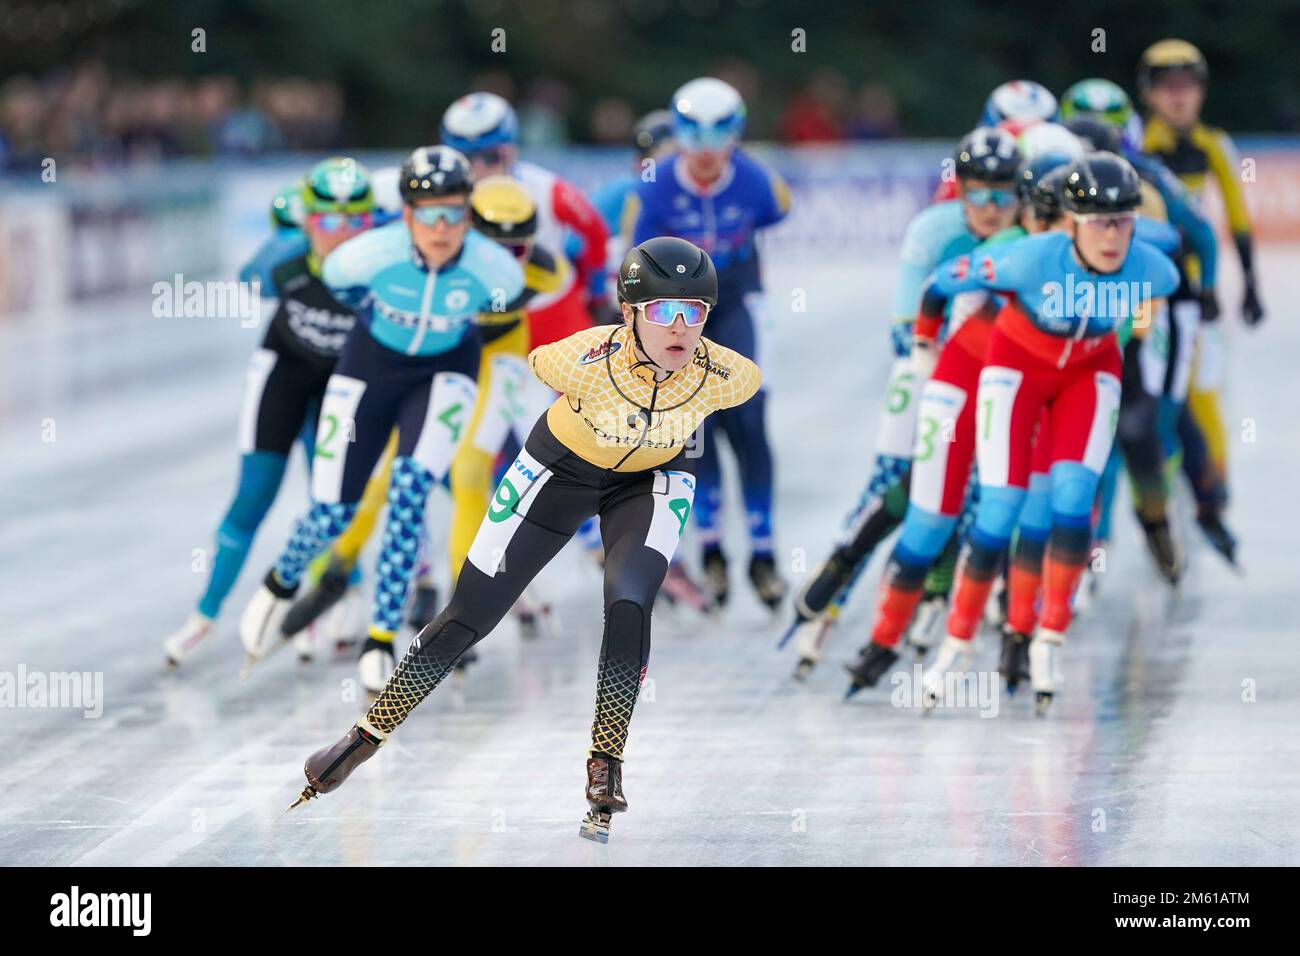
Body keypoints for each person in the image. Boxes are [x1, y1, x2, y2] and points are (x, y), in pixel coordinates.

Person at [287, 237, 761, 843]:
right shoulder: (579, 360)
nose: (680, 328)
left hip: (651, 480)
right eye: (663, 311)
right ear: (628, 312)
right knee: (470, 615)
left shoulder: (728, 376)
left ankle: (605, 760)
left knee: (629, 598)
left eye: (694, 311)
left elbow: (746, 383)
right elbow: (532, 362)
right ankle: (364, 736)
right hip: (557, 472)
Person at [237, 146, 524, 693]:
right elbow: (342, 288)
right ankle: (280, 580)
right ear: (406, 216)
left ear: (470, 214)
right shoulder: (362, 258)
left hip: (444, 372)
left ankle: (381, 636)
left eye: (455, 214)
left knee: (410, 490)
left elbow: (503, 305)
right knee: (332, 512)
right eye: (429, 214)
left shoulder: (496, 269)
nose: (442, 228)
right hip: (369, 368)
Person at [900, 153, 1178, 714]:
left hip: (1088, 371)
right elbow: (937, 284)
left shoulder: (1155, 268)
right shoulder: (1026, 259)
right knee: (1001, 506)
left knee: (1076, 499)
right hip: (1017, 368)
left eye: (1124, 221)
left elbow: (1178, 237)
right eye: (1099, 222)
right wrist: (924, 345)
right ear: (1069, 221)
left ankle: (1050, 636)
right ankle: (955, 643)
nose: (1112, 236)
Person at [278, 176, 568, 647]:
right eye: (488, 245)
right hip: (431, 361)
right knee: (382, 478)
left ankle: (461, 608)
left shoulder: (543, 271)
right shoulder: (430, 245)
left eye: (516, 250)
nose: (499, 259)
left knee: (472, 474)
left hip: (496, 358)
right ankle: (338, 570)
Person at [781, 127, 1021, 675]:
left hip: (991, 376)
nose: (989, 206)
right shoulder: (933, 231)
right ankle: (836, 586)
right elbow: (904, 327)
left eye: (1002, 194)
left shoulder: (1026, 237)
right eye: (977, 192)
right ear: (958, 190)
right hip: (928, 367)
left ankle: (939, 594)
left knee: (976, 493)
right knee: (891, 482)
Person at [161, 158, 376, 666]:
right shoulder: (284, 259)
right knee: (253, 495)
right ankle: (205, 614)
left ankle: (339, 595)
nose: (342, 234)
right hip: (283, 376)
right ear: (306, 222)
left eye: (357, 222)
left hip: (340, 387)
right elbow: (249, 278)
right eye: (327, 221)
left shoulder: (382, 265)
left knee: (333, 498)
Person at [632, 76, 792, 609]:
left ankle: (764, 552)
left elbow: (778, 209)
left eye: (716, 144)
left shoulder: (754, 182)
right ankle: (714, 548)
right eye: (693, 143)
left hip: (739, 304)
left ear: (735, 137)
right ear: (677, 137)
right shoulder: (654, 188)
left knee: (749, 416)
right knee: (696, 423)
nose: (704, 157)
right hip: (684, 315)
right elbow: (634, 263)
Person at [1140, 39, 1264, 562]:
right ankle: (1156, 499)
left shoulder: (1215, 145)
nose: (1178, 99)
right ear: (1150, 94)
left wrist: (1250, 283)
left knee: (1205, 393)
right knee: (1152, 396)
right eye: (1168, 89)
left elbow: (1236, 214)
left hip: (1197, 292)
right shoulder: (1140, 144)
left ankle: (1213, 500)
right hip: (1149, 287)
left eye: (1187, 88)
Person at [441, 91, 609, 347]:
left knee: (580, 383)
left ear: (510, 150)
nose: (478, 169)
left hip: (552, 308)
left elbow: (595, 232)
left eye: (489, 156)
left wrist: (596, 294)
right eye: (464, 159)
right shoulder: (447, 197)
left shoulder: (547, 188)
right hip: (485, 315)